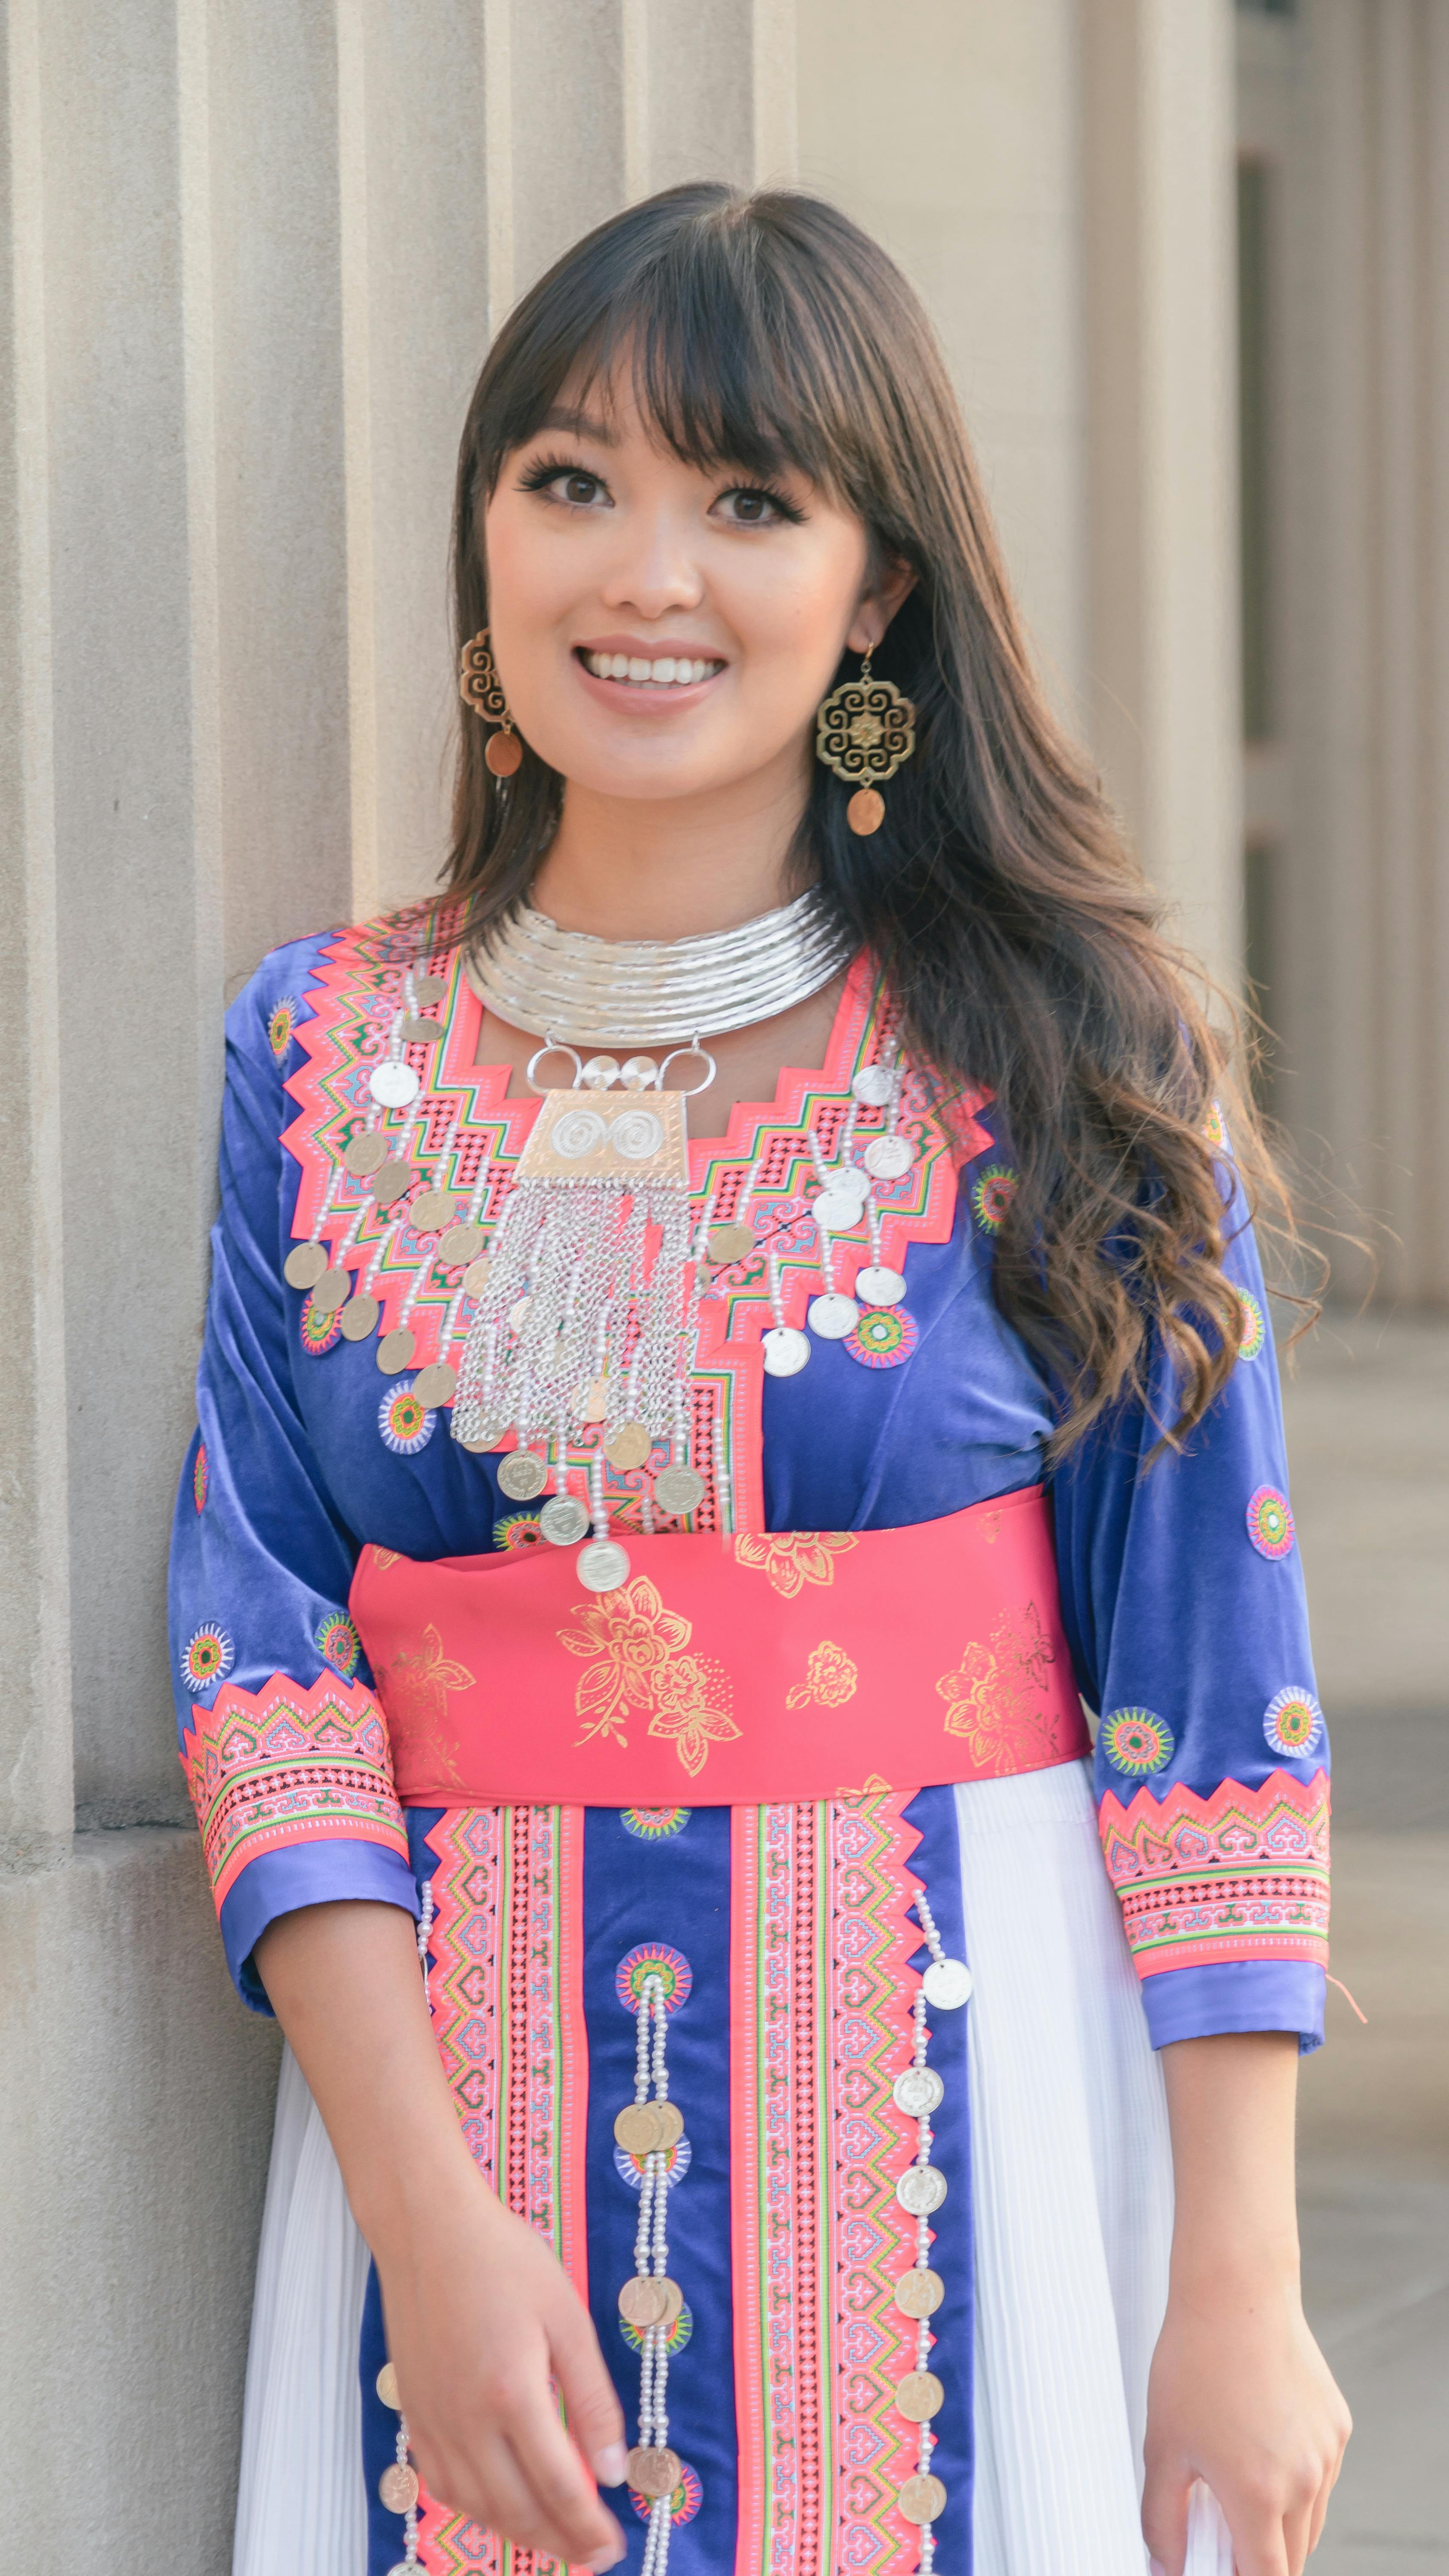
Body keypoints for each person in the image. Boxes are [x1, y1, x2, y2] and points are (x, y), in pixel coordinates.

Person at [170, 183, 1349, 2576]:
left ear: (876, 586)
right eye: (572, 481)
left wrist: (1239, 2271)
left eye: (751, 500)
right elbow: (262, 1653)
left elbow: (1218, 1700)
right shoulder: (320, 1054)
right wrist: (425, 2222)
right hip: (455, 2151)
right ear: (487, 535)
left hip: (974, 2106)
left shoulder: (1071, 1053)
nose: (649, 575)